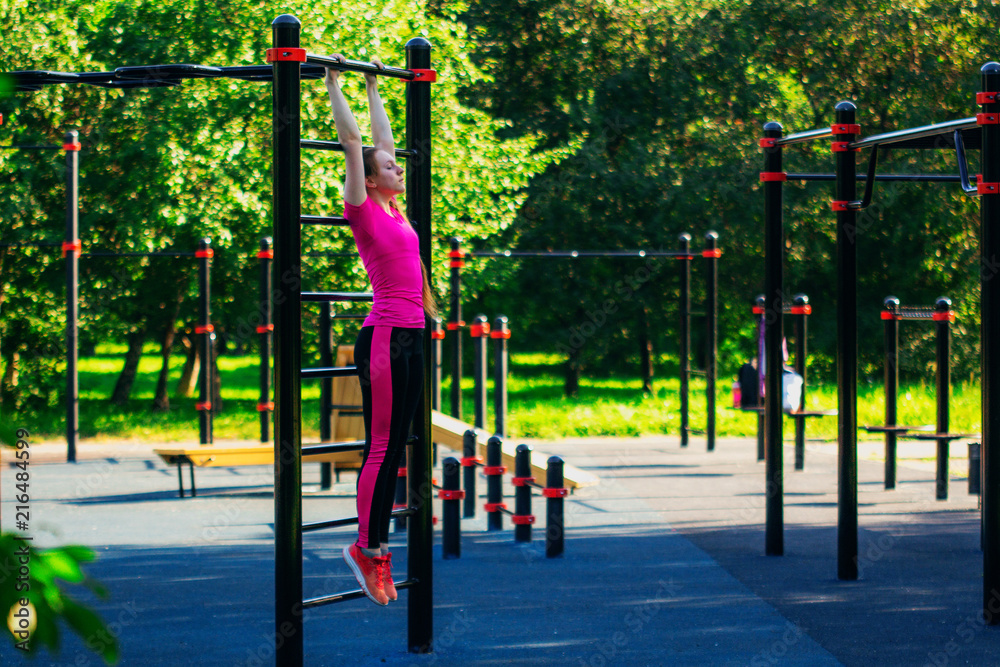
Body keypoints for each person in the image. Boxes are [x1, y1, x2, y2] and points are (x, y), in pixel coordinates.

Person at [325, 54, 435, 606]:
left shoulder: (397, 211)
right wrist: (334, 83)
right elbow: (356, 144)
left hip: (412, 336)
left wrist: (374, 86)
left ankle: (376, 547)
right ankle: (366, 549)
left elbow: (380, 140)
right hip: (387, 338)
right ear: (369, 180)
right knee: (383, 445)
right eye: (389, 168)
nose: (399, 170)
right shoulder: (363, 206)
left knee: (402, 447)